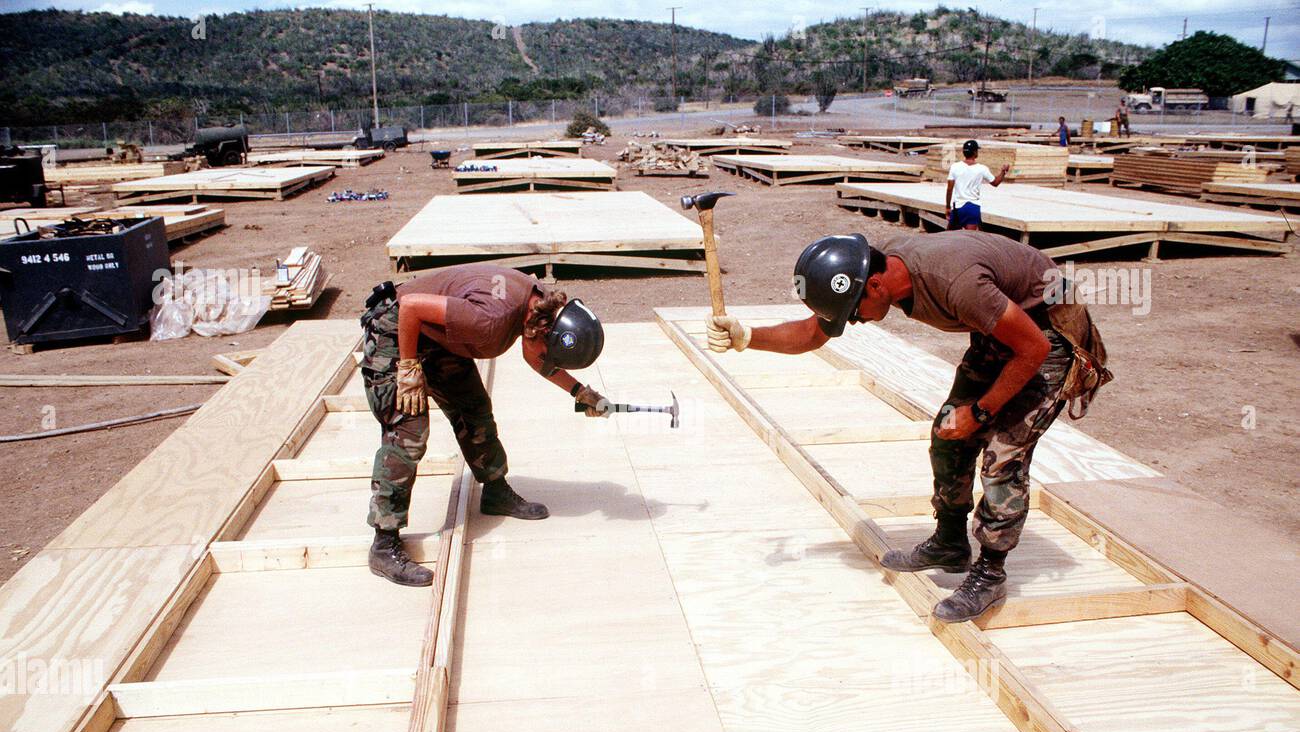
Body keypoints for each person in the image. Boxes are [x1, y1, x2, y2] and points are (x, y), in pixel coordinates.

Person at [707, 232, 1111, 623]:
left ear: (876, 286)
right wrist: (745, 337)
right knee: (948, 433)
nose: (857, 322)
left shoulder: (957, 283)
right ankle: (951, 543)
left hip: (1045, 333)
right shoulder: (877, 269)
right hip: (1002, 325)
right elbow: (814, 332)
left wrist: (981, 412)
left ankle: (990, 574)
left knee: (1002, 458)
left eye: (854, 313)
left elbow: (1032, 349)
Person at [360, 266, 608, 586]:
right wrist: (408, 368)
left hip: (436, 333)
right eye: (551, 355)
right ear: (539, 332)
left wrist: (580, 393)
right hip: (397, 330)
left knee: (474, 409)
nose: (549, 362)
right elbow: (411, 308)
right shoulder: (488, 321)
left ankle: (495, 491)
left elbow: (537, 358)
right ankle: (383, 543)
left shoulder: (541, 306)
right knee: (409, 431)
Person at [945, 140, 1009, 231]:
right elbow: (995, 183)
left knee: (949, 237)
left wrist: (947, 206)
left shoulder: (955, 167)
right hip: (973, 207)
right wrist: (1003, 171)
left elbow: (949, 189)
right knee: (971, 239)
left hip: (958, 207)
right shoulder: (982, 169)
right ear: (975, 152)